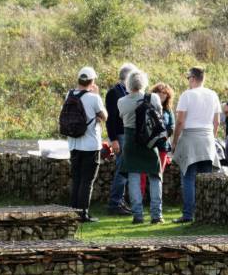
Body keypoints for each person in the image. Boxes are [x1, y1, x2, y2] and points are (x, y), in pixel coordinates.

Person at [171, 67, 222, 224]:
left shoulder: (187, 95)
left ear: (193, 78)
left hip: (190, 138)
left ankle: (188, 214)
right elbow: (217, 122)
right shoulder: (213, 94)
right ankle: (205, 214)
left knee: (188, 177)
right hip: (207, 138)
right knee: (205, 178)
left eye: (188, 78)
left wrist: (174, 141)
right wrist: (211, 138)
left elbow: (180, 121)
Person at [117, 70, 164, 224]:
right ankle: (156, 215)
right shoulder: (153, 98)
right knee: (155, 176)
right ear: (144, 83)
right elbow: (159, 114)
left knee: (133, 178)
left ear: (128, 84)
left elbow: (122, 117)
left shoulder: (121, 101)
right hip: (149, 140)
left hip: (130, 141)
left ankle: (138, 215)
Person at [65, 66, 107, 223]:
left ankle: (73, 211)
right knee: (87, 181)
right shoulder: (94, 98)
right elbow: (105, 116)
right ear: (92, 81)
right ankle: (83, 213)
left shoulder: (69, 94)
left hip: (73, 144)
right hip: (90, 145)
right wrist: (97, 95)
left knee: (76, 179)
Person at [105, 63, 138, 215]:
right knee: (122, 170)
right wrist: (113, 139)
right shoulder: (113, 93)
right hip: (120, 135)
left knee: (125, 169)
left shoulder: (127, 92)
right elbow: (110, 118)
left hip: (128, 135)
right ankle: (114, 203)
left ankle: (120, 201)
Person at [150, 82, 175, 173]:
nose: (161, 94)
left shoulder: (168, 110)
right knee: (144, 173)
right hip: (149, 145)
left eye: (164, 93)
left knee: (159, 173)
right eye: (159, 92)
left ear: (168, 96)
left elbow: (172, 126)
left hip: (163, 145)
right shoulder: (147, 107)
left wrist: (164, 136)